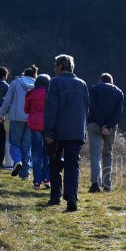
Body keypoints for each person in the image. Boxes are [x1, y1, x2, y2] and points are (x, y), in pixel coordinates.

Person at [44, 54, 89, 212]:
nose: (54, 68)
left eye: (55, 65)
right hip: (76, 131)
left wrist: (48, 132)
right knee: (72, 165)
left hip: (58, 131)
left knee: (55, 163)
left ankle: (55, 196)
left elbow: (51, 108)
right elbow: (85, 109)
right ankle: (72, 198)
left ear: (61, 66)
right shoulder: (82, 84)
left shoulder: (55, 82)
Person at [87, 73, 124, 193]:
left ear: (100, 80)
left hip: (94, 124)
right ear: (111, 81)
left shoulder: (93, 89)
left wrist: (100, 123)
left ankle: (95, 184)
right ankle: (107, 185)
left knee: (95, 155)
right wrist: (108, 126)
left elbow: (92, 107)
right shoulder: (119, 92)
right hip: (110, 128)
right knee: (108, 154)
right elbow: (119, 113)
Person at [0, 65, 37, 178]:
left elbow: (7, 100)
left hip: (16, 118)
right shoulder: (36, 85)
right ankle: (25, 173)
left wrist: (1, 114)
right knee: (27, 146)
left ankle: (17, 161)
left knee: (14, 143)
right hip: (31, 119)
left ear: (24, 74)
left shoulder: (15, 83)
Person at [24, 73, 51, 189]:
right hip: (48, 124)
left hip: (35, 125)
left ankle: (37, 181)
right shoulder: (50, 94)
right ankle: (47, 179)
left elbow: (26, 110)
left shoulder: (31, 93)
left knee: (36, 153)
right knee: (47, 153)